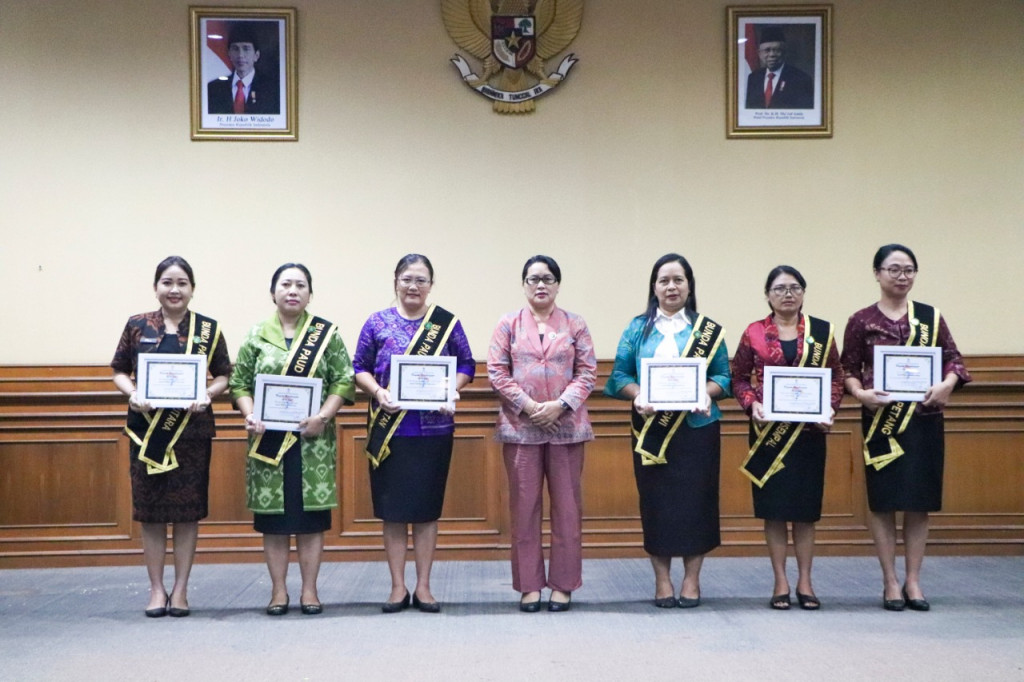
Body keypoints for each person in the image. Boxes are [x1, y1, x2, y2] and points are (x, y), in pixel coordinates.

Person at [841, 244, 970, 612]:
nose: (902, 276)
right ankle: (890, 581)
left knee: (918, 504)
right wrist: (861, 394)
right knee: (883, 504)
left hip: (924, 422)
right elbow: (846, 370)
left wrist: (946, 385)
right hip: (881, 424)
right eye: (894, 269)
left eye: (909, 269)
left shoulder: (930, 318)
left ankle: (914, 580)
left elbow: (955, 361)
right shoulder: (861, 320)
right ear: (877, 273)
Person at [605, 253, 731, 608]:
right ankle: (662, 580)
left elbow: (724, 376)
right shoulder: (636, 328)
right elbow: (619, 377)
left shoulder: (707, 329)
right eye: (664, 280)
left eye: (678, 279)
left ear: (689, 286)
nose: (671, 286)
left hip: (698, 429)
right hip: (651, 431)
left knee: (697, 504)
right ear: (654, 287)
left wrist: (705, 394)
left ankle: (692, 580)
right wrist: (639, 395)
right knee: (657, 505)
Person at [230, 263, 354, 616]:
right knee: (275, 519)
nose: (293, 290)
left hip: (313, 440)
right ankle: (279, 591)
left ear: (310, 293)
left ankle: (310, 591)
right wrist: (249, 413)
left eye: (301, 285)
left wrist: (323, 417)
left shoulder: (326, 335)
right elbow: (239, 383)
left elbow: (343, 381)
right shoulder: (257, 334)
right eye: (285, 284)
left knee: (311, 518)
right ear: (273, 292)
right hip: (267, 441)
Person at [353, 254, 475, 614]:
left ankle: (423, 586)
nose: (413, 286)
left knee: (425, 512)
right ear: (395, 281)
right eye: (407, 278)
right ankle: (396, 586)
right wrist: (378, 392)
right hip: (389, 432)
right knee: (392, 513)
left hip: (433, 431)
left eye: (421, 280)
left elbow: (467, 364)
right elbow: (359, 367)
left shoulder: (447, 324)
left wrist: (451, 390)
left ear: (431, 285)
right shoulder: (377, 322)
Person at [111, 256, 232, 618]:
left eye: (182, 283)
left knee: (186, 514)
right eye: (167, 282)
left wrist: (207, 394)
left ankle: (180, 589)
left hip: (191, 433)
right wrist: (131, 393)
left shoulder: (208, 328)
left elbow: (224, 374)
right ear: (156, 287)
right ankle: (156, 589)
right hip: (147, 433)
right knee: (150, 514)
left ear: (192, 288)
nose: (174, 289)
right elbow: (118, 369)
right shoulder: (137, 325)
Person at [488, 255, 597, 613]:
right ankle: (529, 586)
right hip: (521, 429)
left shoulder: (575, 324)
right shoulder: (507, 324)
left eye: (548, 278)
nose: (540, 285)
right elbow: (496, 372)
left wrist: (560, 406)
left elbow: (588, 372)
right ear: (523, 284)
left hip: (567, 428)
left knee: (567, 509)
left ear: (557, 285)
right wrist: (532, 408)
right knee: (524, 509)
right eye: (533, 278)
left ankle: (563, 585)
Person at [731, 265, 843, 610]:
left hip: (809, 435)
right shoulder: (753, 332)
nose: (788, 294)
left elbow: (836, 376)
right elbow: (738, 378)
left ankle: (805, 581)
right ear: (768, 295)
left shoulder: (822, 333)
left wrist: (830, 408)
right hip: (769, 435)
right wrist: (752, 405)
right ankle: (780, 580)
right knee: (775, 511)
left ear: (804, 293)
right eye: (779, 288)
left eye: (795, 288)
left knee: (806, 513)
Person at [207, 24, 281, 115]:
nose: (240, 55)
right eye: (235, 49)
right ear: (229, 54)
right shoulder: (213, 89)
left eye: (246, 49)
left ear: (256, 55)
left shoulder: (272, 89)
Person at [745, 26, 814, 109]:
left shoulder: (801, 79)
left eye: (777, 50)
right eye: (767, 50)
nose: (772, 55)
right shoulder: (753, 78)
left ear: (784, 53)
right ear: (759, 54)